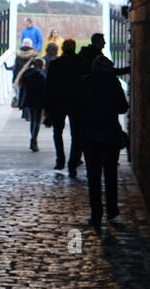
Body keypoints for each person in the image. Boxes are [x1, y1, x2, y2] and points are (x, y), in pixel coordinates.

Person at [77, 53, 129, 229]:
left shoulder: (86, 82)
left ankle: (96, 213)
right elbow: (123, 108)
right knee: (110, 174)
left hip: (90, 136)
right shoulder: (113, 83)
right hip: (110, 135)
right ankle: (112, 210)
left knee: (93, 176)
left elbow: (78, 107)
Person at [43, 38, 83, 173]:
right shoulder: (81, 63)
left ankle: (60, 160)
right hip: (76, 102)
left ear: (63, 49)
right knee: (76, 135)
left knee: (57, 132)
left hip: (58, 102)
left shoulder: (55, 64)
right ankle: (73, 162)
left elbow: (48, 87)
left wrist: (47, 108)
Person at [19, 57, 47, 151]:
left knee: (32, 121)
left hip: (29, 99)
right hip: (39, 100)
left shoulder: (26, 73)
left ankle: (33, 139)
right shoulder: (41, 74)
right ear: (41, 65)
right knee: (37, 121)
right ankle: (34, 140)